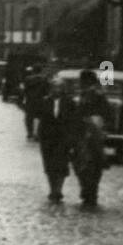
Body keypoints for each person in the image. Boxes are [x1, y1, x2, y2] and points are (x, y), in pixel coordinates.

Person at [73, 70, 110, 209]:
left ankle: (89, 193)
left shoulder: (94, 94)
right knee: (89, 164)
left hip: (91, 133)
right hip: (88, 133)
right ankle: (89, 193)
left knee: (88, 164)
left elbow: (102, 114)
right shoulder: (89, 93)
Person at [34, 76, 74, 204]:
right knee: (49, 165)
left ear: (63, 89)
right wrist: (37, 133)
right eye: (54, 87)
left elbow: (73, 121)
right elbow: (39, 118)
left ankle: (58, 190)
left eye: (59, 87)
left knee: (61, 164)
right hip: (48, 138)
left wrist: (71, 136)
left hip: (63, 138)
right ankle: (52, 189)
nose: (57, 90)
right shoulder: (45, 101)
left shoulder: (69, 102)